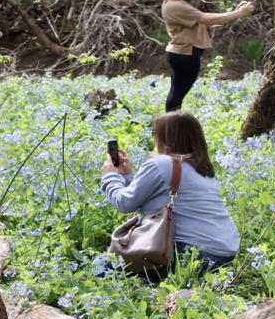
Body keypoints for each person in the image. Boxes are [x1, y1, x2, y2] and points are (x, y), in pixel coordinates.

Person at [100, 111, 240, 283]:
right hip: (222, 254)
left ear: (167, 138)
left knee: (103, 266)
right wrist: (128, 176)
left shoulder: (161, 163)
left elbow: (124, 203)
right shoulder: (203, 168)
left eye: (155, 133)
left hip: (192, 253)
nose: (154, 139)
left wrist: (110, 176)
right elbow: (155, 196)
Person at [157, 0, 253, 112]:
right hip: (185, 54)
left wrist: (236, 12)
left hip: (183, 54)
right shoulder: (176, 6)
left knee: (176, 93)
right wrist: (239, 13)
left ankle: (169, 125)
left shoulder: (173, 3)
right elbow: (208, 18)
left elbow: (209, 21)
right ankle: (170, 126)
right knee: (177, 94)